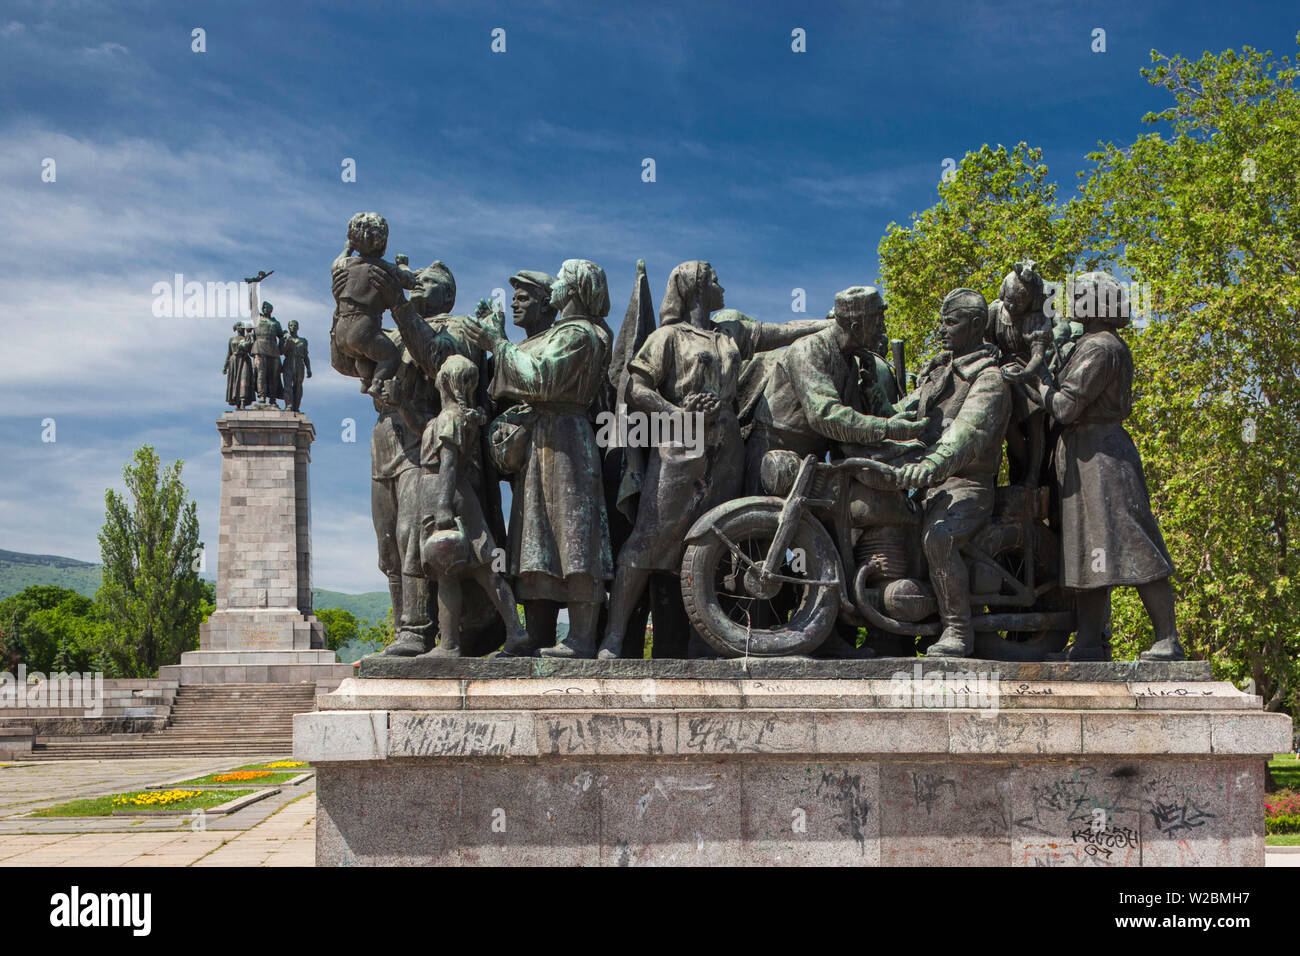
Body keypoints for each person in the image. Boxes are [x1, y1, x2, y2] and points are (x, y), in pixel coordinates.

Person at [598, 260, 827, 660]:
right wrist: (674, 412)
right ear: (697, 288)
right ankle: (613, 639)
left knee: (720, 541)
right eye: (716, 279)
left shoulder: (731, 333)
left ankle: (706, 641)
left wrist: (829, 325)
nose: (723, 286)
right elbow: (635, 385)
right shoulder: (668, 336)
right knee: (649, 541)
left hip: (727, 448)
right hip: (681, 444)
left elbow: (782, 331)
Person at [459, 259, 615, 659]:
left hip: (566, 439)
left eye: (561, 279)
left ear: (576, 289)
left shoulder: (579, 334)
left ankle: (581, 638)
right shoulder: (566, 331)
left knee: (574, 536)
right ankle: (537, 635)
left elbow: (541, 377)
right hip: (543, 439)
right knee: (535, 540)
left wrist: (498, 343)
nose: (557, 284)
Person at [1028, 272, 1184, 662]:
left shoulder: (1101, 347)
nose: (1071, 299)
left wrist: (1039, 379)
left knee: (1134, 542)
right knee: (1089, 549)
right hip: (1085, 455)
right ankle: (1088, 643)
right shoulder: (1090, 344)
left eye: (1079, 294)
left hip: (1102, 456)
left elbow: (1065, 406)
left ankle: (1168, 638)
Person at [884, 288, 1012, 659]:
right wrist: (869, 432)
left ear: (975, 325)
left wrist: (929, 466)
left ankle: (958, 630)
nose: (941, 329)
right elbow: (901, 414)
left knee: (939, 538)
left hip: (965, 484)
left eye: (950, 322)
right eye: (940, 321)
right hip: (925, 483)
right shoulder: (940, 372)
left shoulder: (988, 379)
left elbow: (965, 435)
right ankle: (893, 631)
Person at [746, 286, 924, 493]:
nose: (882, 328)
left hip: (811, 458)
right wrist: (887, 428)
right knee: (764, 523)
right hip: (773, 454)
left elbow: (851, 422)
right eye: (878, 321)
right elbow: (825, 415)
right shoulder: (809, 350)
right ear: (856, 327)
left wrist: (870, 388)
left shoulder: (851, 361)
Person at [419, 356, 530, 656]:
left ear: (447, 380)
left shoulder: (451, 418)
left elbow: (450, 463)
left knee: (482, 567)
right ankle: (452, 643)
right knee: (458, 570)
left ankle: (511, 633)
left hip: (450, 494)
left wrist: (443, 506)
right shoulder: (452, 416)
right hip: (446, 492)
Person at [329, 212, 414, 398]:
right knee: (390, 355)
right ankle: (376, 384)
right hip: (364, 327)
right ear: (382, 243)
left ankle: (365, 380)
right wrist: (403, 265)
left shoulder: (345, 265)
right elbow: (409, 280)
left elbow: (335, 264)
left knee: (362, 354)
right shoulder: (384, 268)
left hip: (341, 331)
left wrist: (347, 249)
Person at [251, 302, 284, 407]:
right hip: (259, 348)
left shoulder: (275, 323)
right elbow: (252, 305)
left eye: (267, 307)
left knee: (274, 375)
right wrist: (254, 286)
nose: (265, 309)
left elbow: (281, 336)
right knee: (261, 374)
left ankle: (273, 398)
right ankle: (262, 396)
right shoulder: (257, 318)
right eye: (263, 307)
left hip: (273, 349)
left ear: (271, 310)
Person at [280, 320, 312, 412]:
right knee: (287, 385)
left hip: (299, 363)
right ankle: (288, 406)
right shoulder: (285, 339)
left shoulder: (303, 341)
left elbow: (306, 356)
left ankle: (296, 407)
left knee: (298, 386)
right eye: (290, 325)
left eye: (294, 325)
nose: (292, 327)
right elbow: (281, 352)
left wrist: (309, 369)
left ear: (297, 328)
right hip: (288, 362)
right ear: (288, 327)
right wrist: (287, 342)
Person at [223, 322, 255, 409]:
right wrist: (225, 366)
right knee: (234, 382)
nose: (241, 328)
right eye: (239, 326)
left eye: (242, 326)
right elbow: (229, 353)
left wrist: (250, 336)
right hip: (234, 362)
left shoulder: (247, 338)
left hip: (244, 359)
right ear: (236, 328)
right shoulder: (232, 339)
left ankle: (243, 401)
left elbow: (251, 349)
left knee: (244, 379)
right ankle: (237, 401)